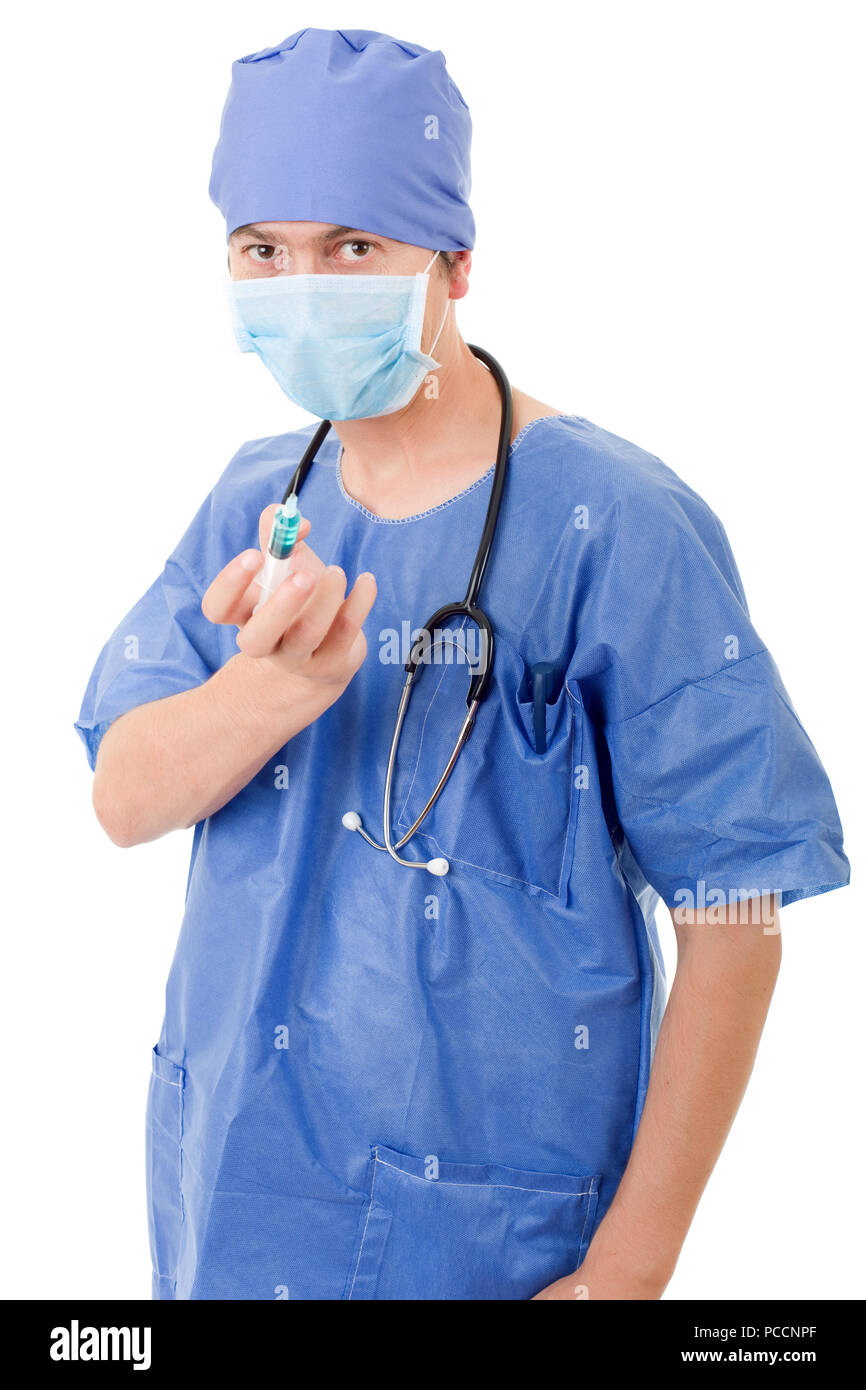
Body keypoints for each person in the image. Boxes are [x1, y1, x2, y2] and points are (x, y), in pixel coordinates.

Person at [75, 27, 849, 1301]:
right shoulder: (253, 505)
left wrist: (627, 1273)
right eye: (264, 251)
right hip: (236, 1198)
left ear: (457, 263)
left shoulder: (613, 526)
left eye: (354, 249)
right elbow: (123, 796)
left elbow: (734, 917)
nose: (303, 286)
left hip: (498, 1236)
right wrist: (263, 692)